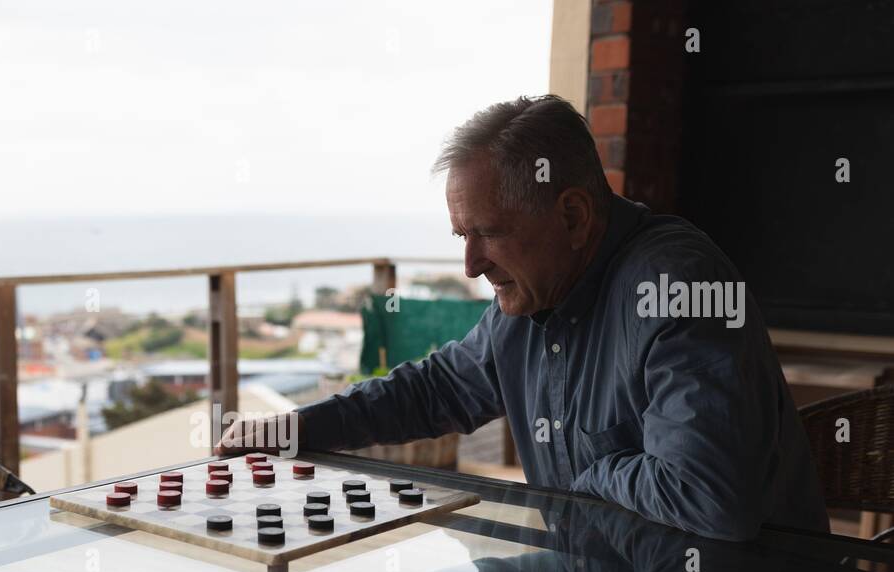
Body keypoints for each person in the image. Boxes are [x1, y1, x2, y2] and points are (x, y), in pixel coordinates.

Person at [216, 95, 828, 542]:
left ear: (572, 216)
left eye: (488, 234)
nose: (470, 264)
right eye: (462, 235)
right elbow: (436, 390)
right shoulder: (532, 295)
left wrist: (589, 476)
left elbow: (708, 496)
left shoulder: (675, 287)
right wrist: (293, 430)